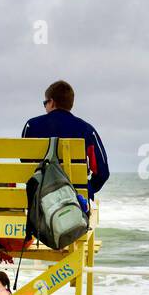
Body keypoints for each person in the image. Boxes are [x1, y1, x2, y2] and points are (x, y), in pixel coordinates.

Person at [21, 80, 110, 209]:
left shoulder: (31, 126)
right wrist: (86, 189)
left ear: (51, 102)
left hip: (40, 202)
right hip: (76, 202)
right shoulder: (87, 130)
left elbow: (26, 163)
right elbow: (103, 173)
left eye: (45, 103)